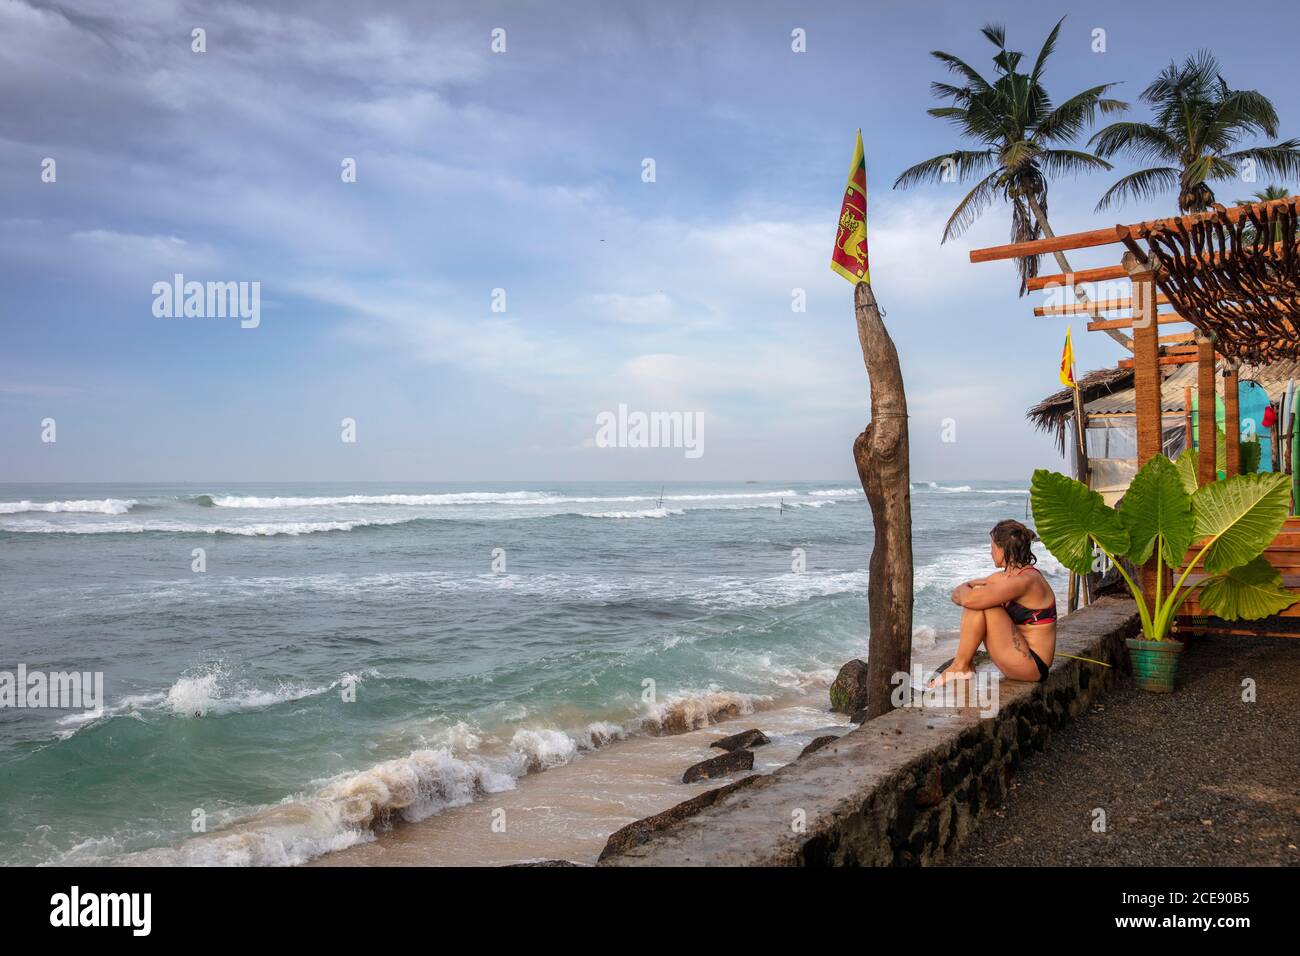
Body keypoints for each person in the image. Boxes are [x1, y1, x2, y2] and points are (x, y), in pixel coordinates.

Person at [929, 519, 1057, 688]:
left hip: (1032, 665)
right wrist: (968, 593)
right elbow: (959, 592)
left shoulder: (1028, 580)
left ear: (1004, 549)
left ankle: (961, 666)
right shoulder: (1003, 578)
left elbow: (968, 597)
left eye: (992, 547)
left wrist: (969, 594)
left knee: (981, 602)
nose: (990, 552)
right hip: (1015, 657)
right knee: (979, 600)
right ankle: (962, 666)